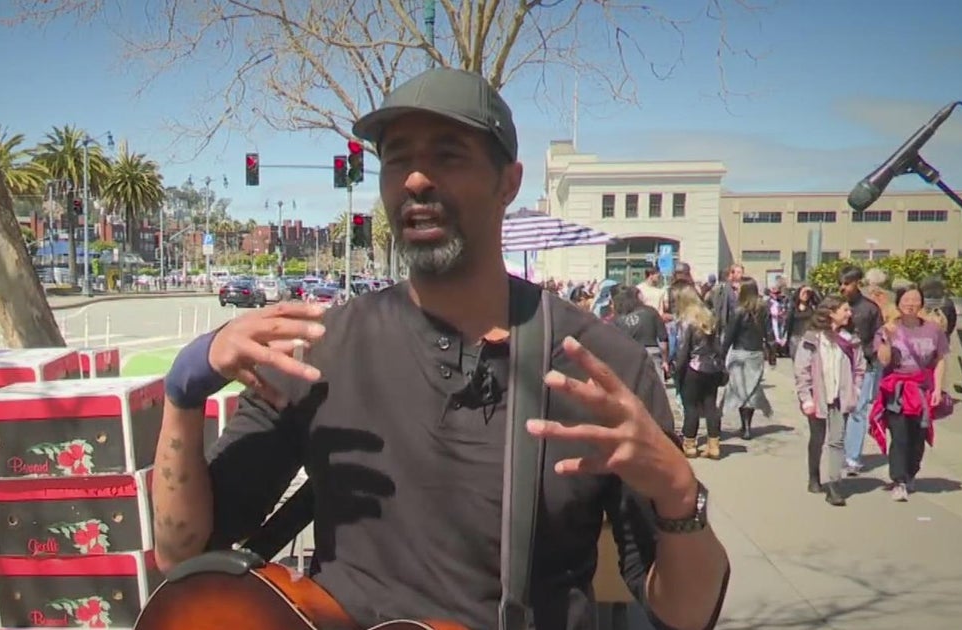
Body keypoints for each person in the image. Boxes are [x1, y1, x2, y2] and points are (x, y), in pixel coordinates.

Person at [151, 67, 729, 630]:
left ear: (509, 182)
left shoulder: (599, 367)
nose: (416, 179)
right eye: (398, 158)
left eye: (448, 155)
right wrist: (185, 392)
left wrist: (679, 493)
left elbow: (685, 612)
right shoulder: (322, 348)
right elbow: (184, 553)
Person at [870, 286, 950, 502]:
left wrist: (937, 388)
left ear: (922, 303)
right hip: (897, 389)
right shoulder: (888, 328)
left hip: (922, 389)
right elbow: (884, 360)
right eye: (906, 299)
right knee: (900, 435)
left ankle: (912, 472)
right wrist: (887, 337)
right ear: (898, 303)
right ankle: (899, 480)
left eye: (915, 299)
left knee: (918, 435)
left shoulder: (933, 330)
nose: (911, 304)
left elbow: (941, 359)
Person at [792, 296, 866, 507]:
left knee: (837, 440)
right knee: (818, 438)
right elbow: (802, 370)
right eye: (845, 309)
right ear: (831, 312)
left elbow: (860, 368)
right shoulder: (812, 339)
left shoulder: (850, 340)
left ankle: (834, 486)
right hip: (818, 397)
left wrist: (856, 389)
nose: (849, 313)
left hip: (840, 398)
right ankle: (813, 476)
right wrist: (805, 397)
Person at [671, 288, 727, 459]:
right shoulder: (709, 317)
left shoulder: (686, 320)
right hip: (713, 367)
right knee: (711, 405)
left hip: (693, 367)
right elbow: (719, 345)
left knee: (691, 406)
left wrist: (677, 371)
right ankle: (714, 445)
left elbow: (683, 349)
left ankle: (690, 445)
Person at [838, 266, 883, 476]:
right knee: (840, 409)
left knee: (859, 410)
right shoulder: (836, 305)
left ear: (857, 283)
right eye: (841, 283)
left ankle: (852, 457)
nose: (842, 288)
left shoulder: (871, 309)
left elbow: (879, 336)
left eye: (847, 284)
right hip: (840, 364)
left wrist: (874, 357)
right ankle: (838, 450)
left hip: (865, 365)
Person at [720, 277, 773, 440]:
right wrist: (772, 353)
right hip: (756, 353)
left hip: (740, 354)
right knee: (751, 390)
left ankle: (745, 427)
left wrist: (721, 356)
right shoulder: (763, 309)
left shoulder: (738, 311)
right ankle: (747, 426)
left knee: (741, 391)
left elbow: (729, 335)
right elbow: (769, 333)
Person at [611, 285, 669, 382]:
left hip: (629, 355)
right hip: (651, 353)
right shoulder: (651, 311)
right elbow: (663, 339)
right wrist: (664, 360)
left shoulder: (617, 319)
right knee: (657, 389)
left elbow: (616, 344)